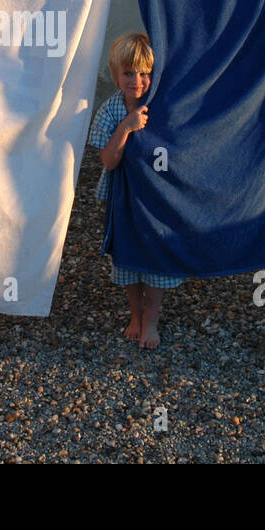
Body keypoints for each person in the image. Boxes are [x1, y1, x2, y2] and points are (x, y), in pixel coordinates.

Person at [88, 32, 181, 349]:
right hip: (123, 198)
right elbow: (109, 161)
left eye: (144, 74)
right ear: (115, 75)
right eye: (129, 73)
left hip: (156, 200)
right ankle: (136, 314)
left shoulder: (162, 106)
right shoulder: (111, 111)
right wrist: (126, 128)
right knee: (127, 257)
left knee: (155, 257)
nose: (137, 81)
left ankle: (152, 319)